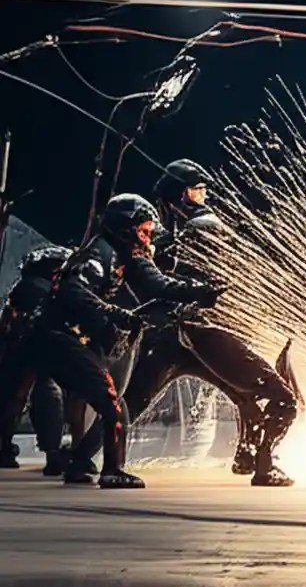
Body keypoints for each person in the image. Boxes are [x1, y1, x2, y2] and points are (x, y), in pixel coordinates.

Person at [26, 194, 221, 488]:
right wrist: (114, 314)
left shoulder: (123, 254)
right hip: (56, 339)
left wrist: (198, 292)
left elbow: (157, 283)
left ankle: (79, 465)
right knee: (112, 403)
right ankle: (111, 471)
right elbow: (74, 293)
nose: (147, 239)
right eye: (143, 231)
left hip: (63, 338)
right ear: (125, 230)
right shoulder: (98, 256)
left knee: (112, 401)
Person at [129, 159, 298, 487]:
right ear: (181, 196)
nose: (203, 196)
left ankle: (246, 456)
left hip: (183, 333)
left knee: (136, 399)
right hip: (209, 333)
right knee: (284, 400)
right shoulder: (203, 226)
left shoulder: (170, 237)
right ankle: (264, 466)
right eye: (196, 191)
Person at [0, 245, 72, 473]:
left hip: (17, 348)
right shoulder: (48, 290)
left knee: (15, 396)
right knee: (47, 392)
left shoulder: (22, 288)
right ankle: (52, 455)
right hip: (41, 347)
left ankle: (5, 449)